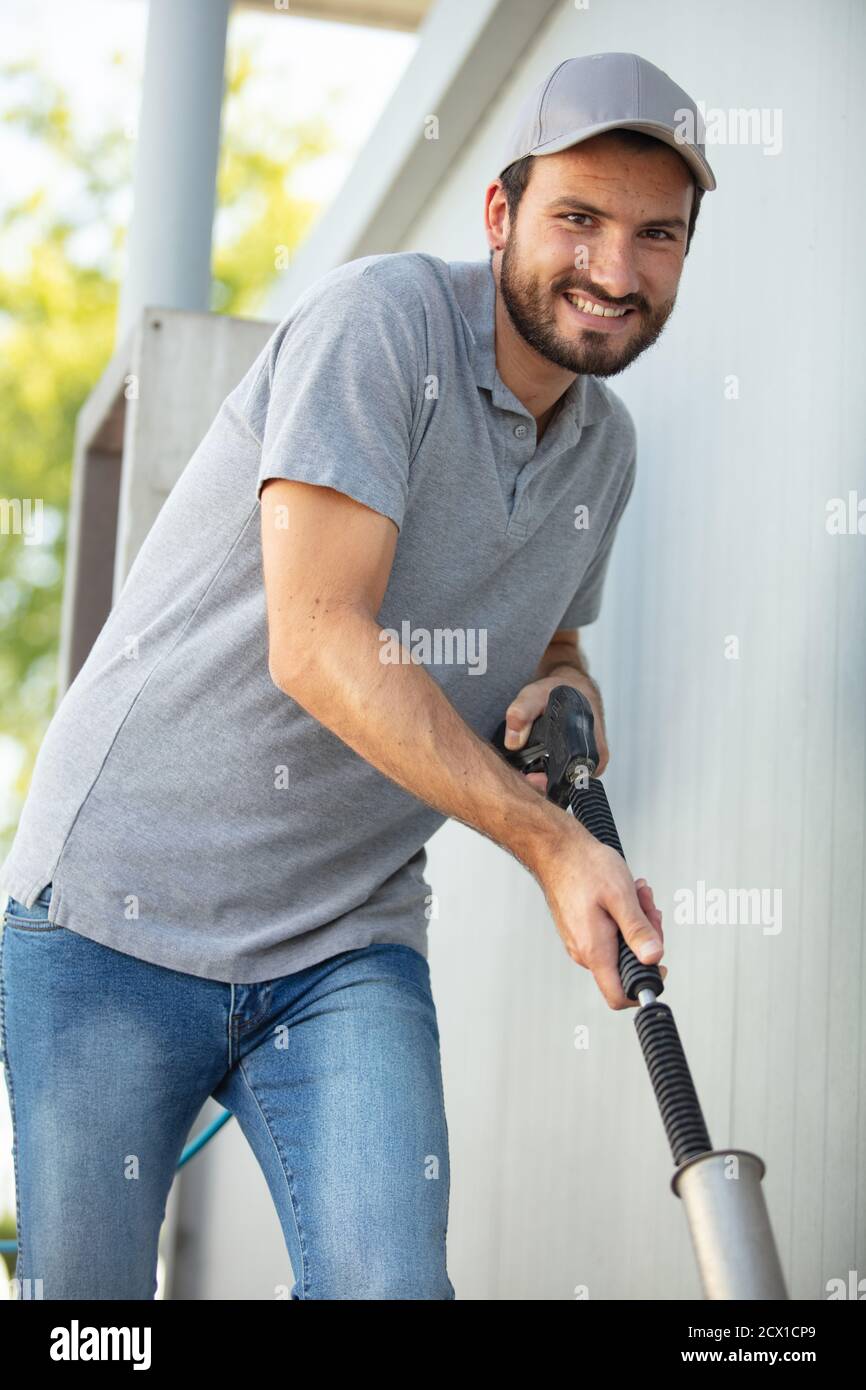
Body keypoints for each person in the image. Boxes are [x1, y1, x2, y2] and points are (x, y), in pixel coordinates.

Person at [0, 52, 715, 1300]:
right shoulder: (378, 323)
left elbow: (549, 643)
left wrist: (567, 703)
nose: (613, 269)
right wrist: (552, 846)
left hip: (344, 938)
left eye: (655, 234)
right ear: (499, 216)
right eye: (578, 218)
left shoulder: (605, 448)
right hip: (114, 910)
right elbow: (318, 637)